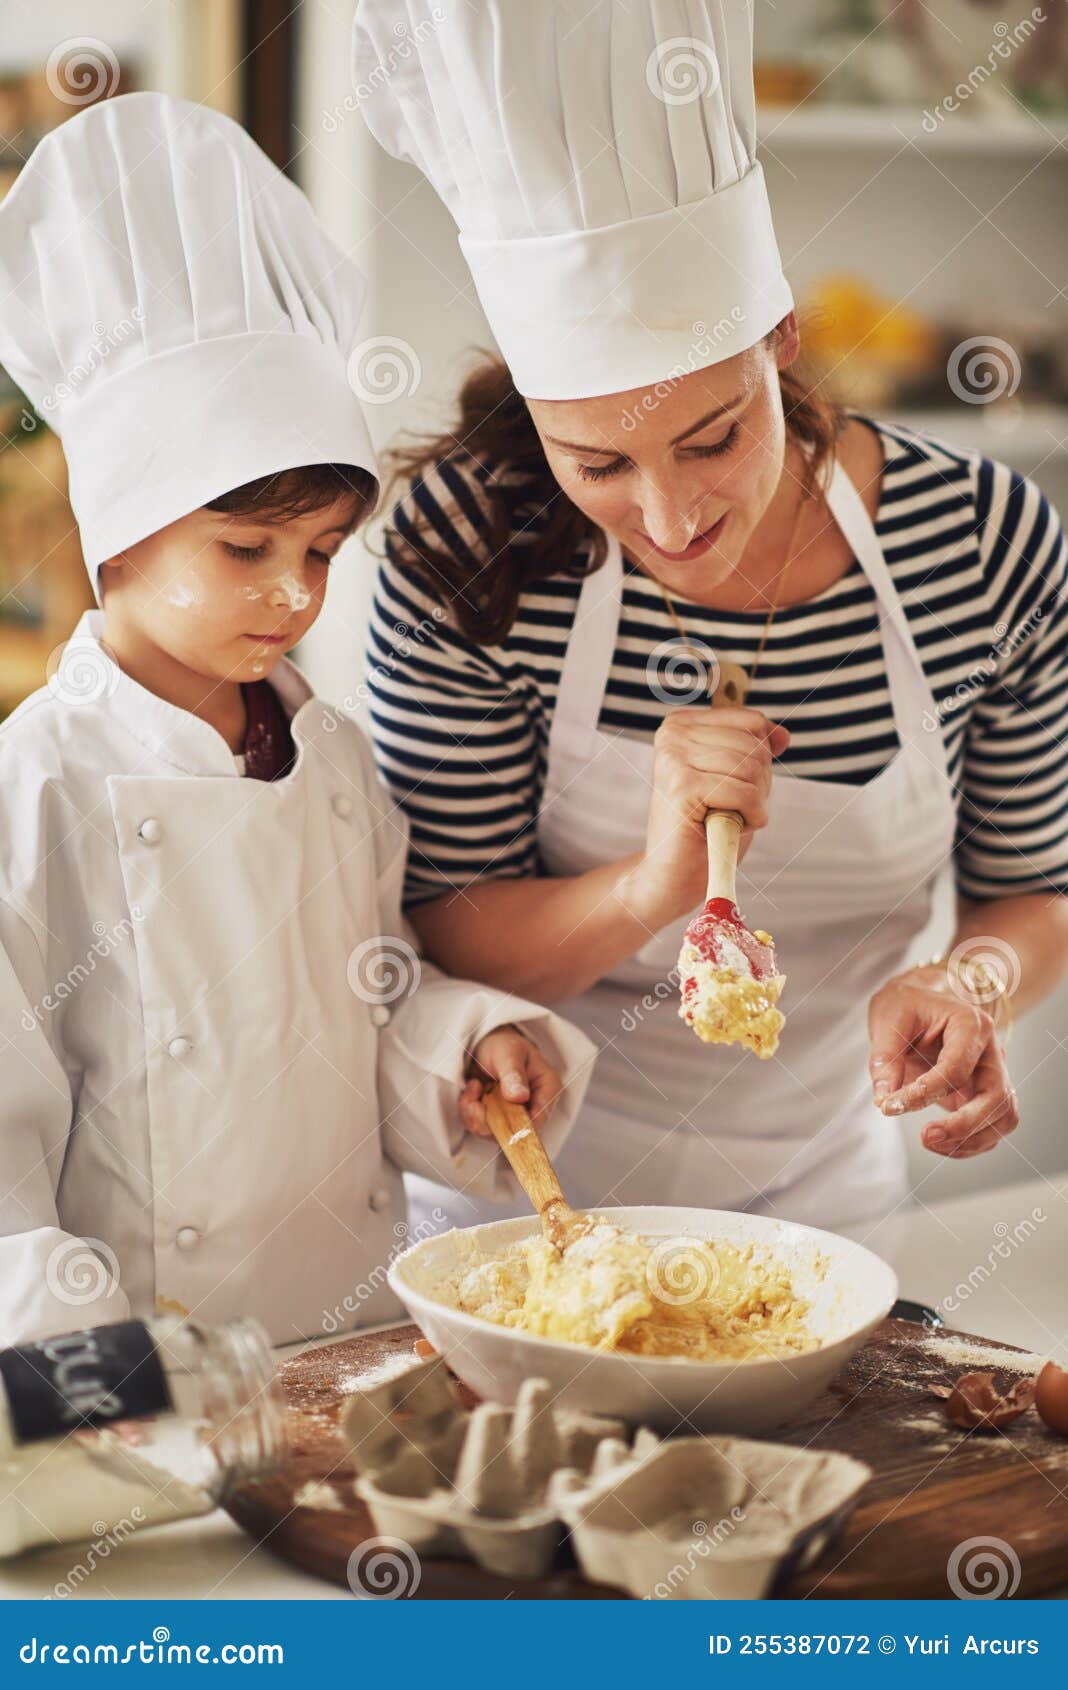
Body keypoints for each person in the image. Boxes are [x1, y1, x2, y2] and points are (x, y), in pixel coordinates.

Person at [352, 0, 1068, 1241]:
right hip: (522, 1200)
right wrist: (653, 884)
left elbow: (1036, 892)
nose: (672, 517)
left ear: (781, 341)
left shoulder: (984, 541)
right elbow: (447, 931)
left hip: (831, 1208)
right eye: (599, 464)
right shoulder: (467, 554)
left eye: (713, 437)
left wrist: (973, 981)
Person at [0, 93, 594, 1348]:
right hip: (148, 1373)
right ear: (118, 532)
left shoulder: (329, 760)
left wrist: (464, 1047)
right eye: (245, 547)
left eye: (324, 551)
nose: (294, 594)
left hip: (355, 1345)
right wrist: (95, 1395)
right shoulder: (37, 786)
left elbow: (357, 1016)